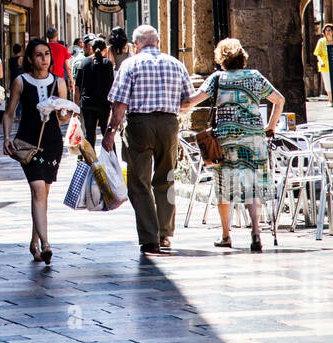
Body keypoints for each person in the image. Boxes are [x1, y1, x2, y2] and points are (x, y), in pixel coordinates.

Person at [181, 38, 285, 252]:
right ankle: (256, 232)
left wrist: (172, 106)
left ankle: (226, 235)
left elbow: (192, 101)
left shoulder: (218, 78)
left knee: (224, 185)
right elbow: (279, 99)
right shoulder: (255, 77)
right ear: (242, 57)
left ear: (221, 59)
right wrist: (270, 126)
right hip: (254, 139)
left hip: (226, 140)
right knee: (252, 186)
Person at [102, 23, 194, 255]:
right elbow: (187, 100)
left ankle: (149, 237)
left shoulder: (129, 64)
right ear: (158, 43)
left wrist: (111, 131)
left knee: (139, 182)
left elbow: (120, 103)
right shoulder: (176, 63)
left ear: (136, 45)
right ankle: (165, 233)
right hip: (168, 124)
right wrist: (171, 109)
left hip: (139, 124)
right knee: (167, 178)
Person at [3, 38, 70, 263]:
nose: (44, 59)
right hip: (28, 142)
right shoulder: (20, 82)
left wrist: (63, 113)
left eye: (47, 54)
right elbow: (9, 112)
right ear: (30, 59)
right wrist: (5, 137)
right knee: (37, 191)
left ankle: (34, 242)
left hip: (52, 143)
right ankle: (47, 243)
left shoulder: (59, 82)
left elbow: (63, 116)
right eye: (39, 55)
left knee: (42, 194)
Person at [74, 37, 114, 147]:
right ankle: (111, 159)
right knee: (106, 133)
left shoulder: (84, 63)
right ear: (105, 49)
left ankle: (90, 162)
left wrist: (75, 106)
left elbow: (77, 86)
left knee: (89, 134)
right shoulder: (107, 63)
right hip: (103, 104)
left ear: (91, 48)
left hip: (87, 103)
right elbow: (112, 84)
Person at [312, 22, 333, 102]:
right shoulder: (321, 41)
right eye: (326, 30)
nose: (328, 32)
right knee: (328, 83)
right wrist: (321, 62)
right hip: (325, 66)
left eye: (329, 30)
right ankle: (331, 100)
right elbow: (318, 53)